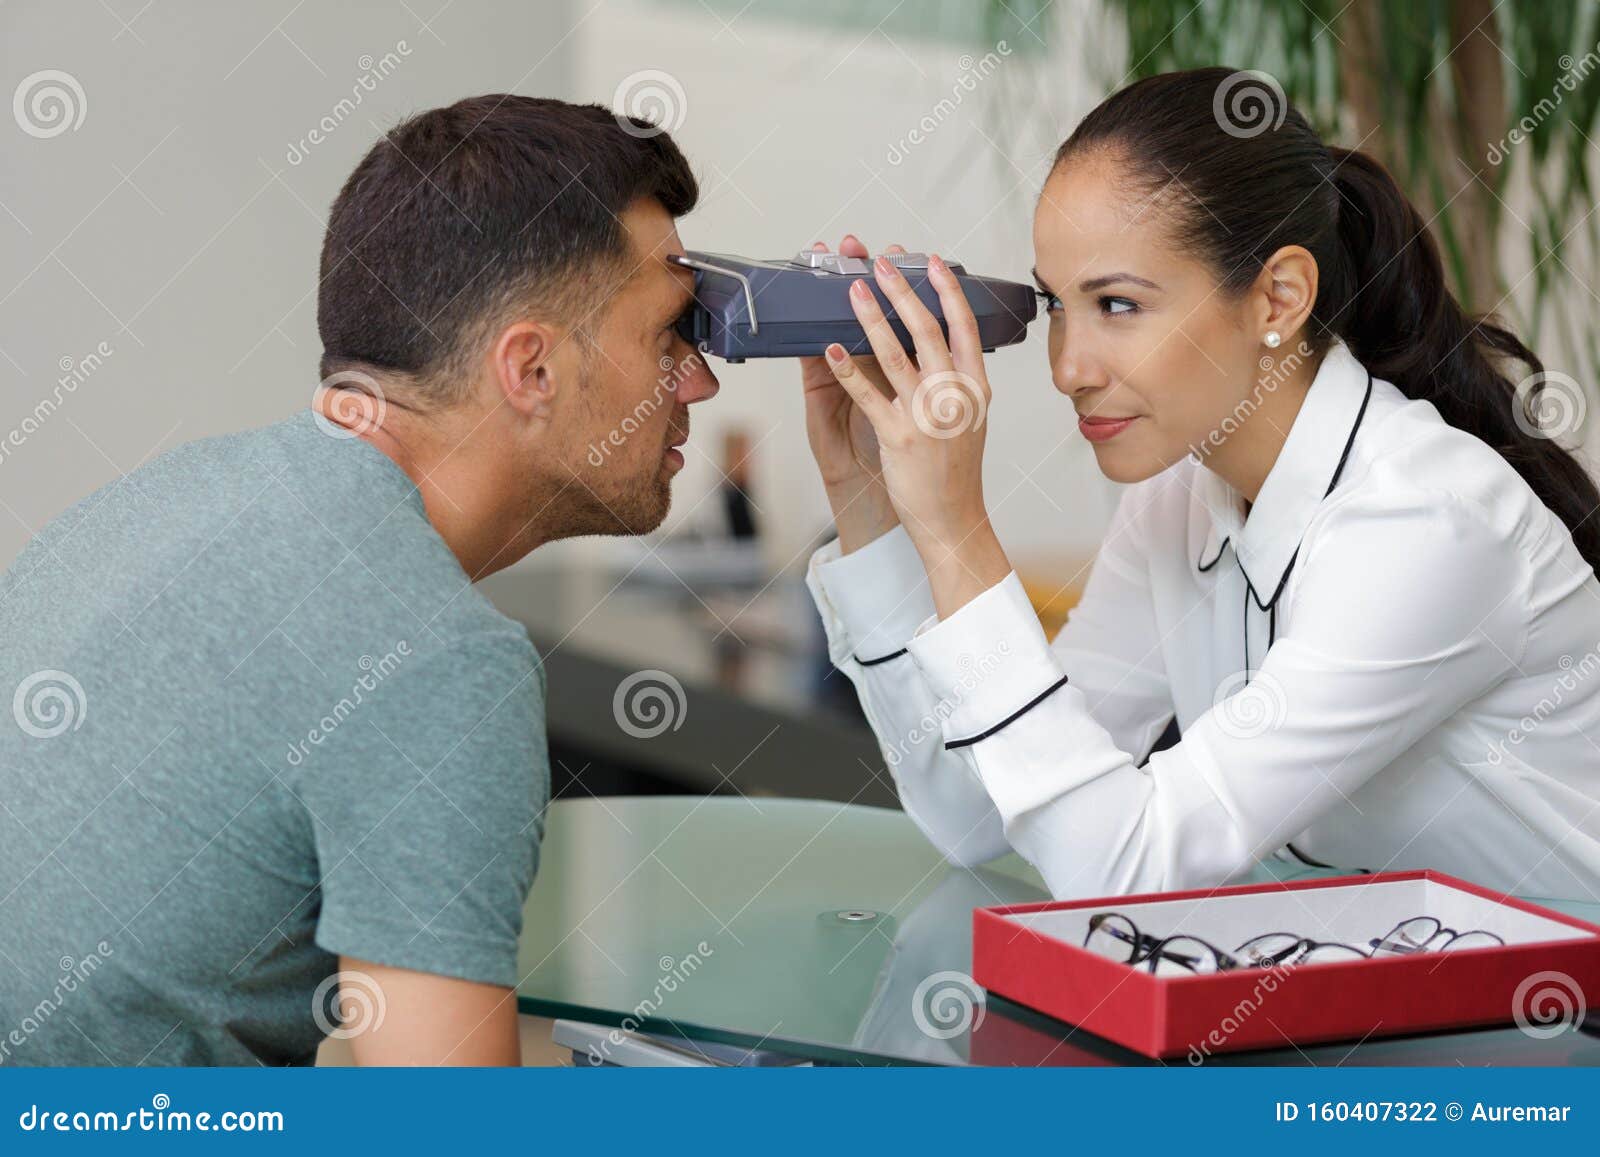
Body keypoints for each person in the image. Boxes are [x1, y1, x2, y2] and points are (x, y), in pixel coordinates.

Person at [0, 95, 719, 1066]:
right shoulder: (436, 660)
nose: (700, 383)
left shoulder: (154, 503)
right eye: (670, 337)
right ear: (532, 368)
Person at [801, 68, 1600, 903]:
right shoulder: (1177, 500)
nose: (1068, 367)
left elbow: (1125, 863)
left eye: (1116, 304)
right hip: (1400, 1006)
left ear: (1277, 299)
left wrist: (958, 533)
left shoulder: (1426, 524)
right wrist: (868, 504)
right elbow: (979, 815)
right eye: (1057, 306)